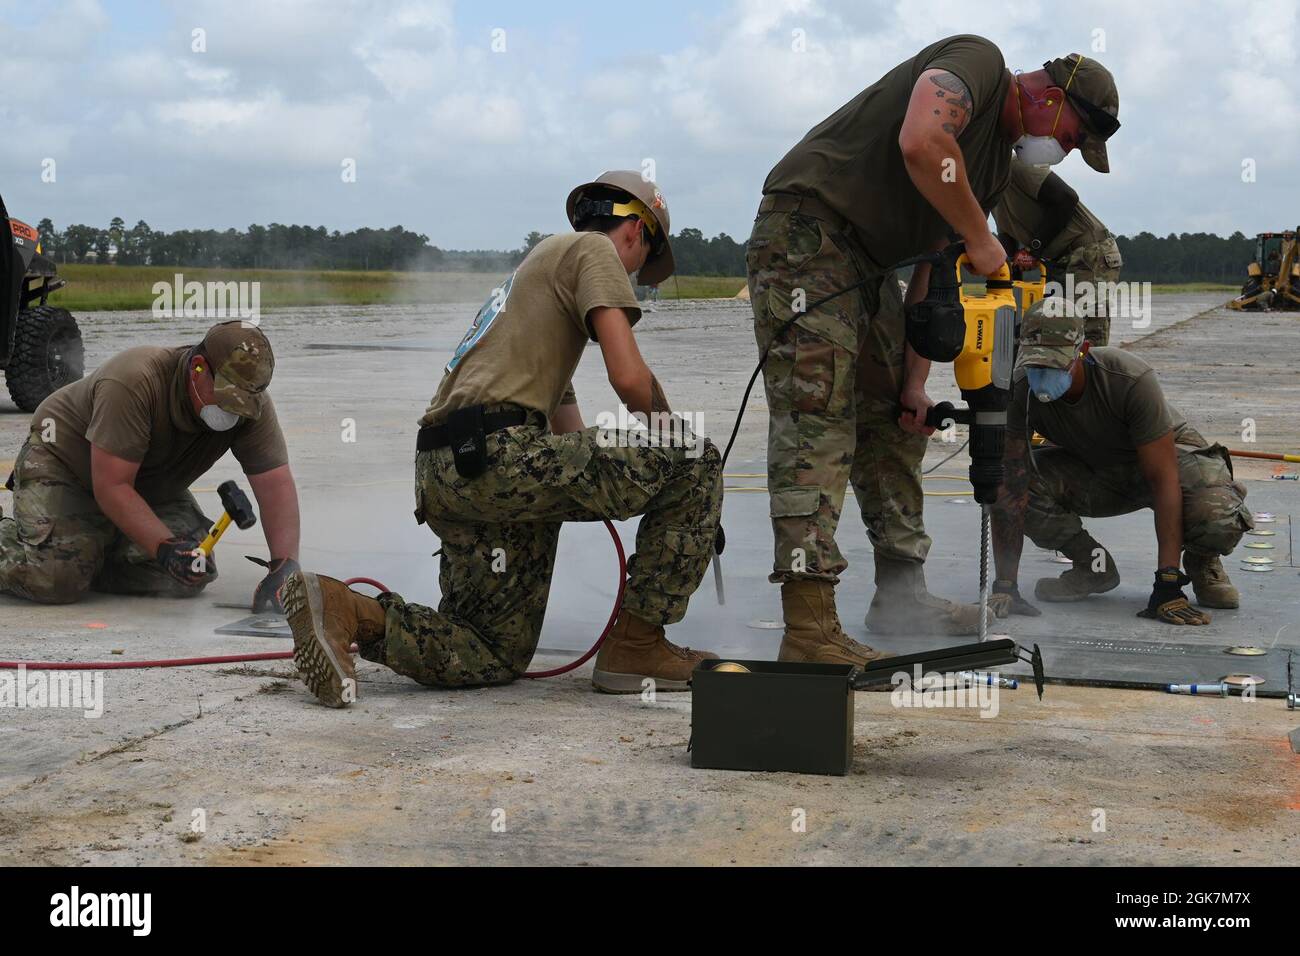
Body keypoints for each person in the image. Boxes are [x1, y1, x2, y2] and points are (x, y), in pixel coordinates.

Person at [282, 172, 724, 707]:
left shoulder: (535, 278)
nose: (637, 277)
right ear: (635, 229)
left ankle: (351, 611)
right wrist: (683, 472)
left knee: (490, 650)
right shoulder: (594, 250)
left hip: (448, 467)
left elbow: (571, 432)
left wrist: (652, 500)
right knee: (695, 459)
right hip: (501, 455)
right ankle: (636, 646)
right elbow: (631, 381)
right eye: (644, 262)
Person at [748, 38, 1120, 661]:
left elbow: (935, 275)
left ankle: (900, 595)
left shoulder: (996, 170)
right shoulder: (976, 62)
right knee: (818, 420)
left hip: (875, 265)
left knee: (899, 421)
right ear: (1051, 98)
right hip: (809, 236)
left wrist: (913, 382)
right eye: (1075, 137)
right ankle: (807, 623)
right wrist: (985, 239)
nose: (1069, 153)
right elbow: (922, 142)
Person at [0, 320, 300, 609]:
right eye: (226, 399)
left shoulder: (251, 403)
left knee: (189, 573)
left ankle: (90, 555)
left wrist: (284, 568)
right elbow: (112, 486)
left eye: (241, 404)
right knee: (55, 578)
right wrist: (164, 547)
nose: (233, 412)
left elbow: (276, 485)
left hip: (144, 484)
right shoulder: (135, 380)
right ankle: (70, 556)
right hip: (66, 465)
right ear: (197, 368)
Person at [988, 303, 1252, 625]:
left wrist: (1167, 586)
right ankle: (1093, 566)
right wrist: (1006, 585)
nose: (1042, 375)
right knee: (1012, 485)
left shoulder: (1127, 378)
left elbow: (1164, 478)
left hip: (1165, 463)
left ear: (1082, 350)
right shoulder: (1022, 390)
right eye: (1035, 364)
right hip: (1098, 469)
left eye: (1054, 365)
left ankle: (1201, 558)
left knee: (1217, 516)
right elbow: (1012, 484)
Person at [994, 159, 1123, 344]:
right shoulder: (990, 190)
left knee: (1087, 336)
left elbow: (1066, 199)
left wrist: (1034, 249)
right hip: (1058, 259)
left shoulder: (1016, 165)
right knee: (1057, 335)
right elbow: (1007, 241)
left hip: (1088, 253)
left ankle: (1091, 372)